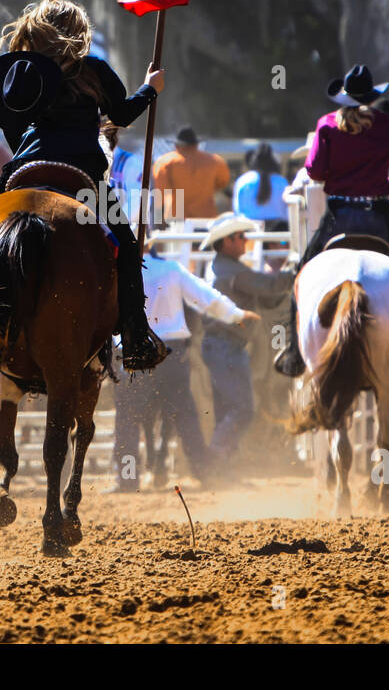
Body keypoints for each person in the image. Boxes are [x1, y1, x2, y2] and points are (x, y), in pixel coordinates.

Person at [0, 0, 168, 371]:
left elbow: (11, 121)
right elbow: (123, 114)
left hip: (26, 166)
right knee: (125, 243)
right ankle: (135, 335)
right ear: (78, 32)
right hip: (81, 175)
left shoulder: (24, 71)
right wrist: (150, 88)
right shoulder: (93, 69)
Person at [273, 65, 389, 378]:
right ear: (373, 97)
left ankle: (296, 352)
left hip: (338, 218)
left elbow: (315, 172)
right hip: (377, 215)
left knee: (301, 274)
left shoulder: (326, 125)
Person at [109, 236, 257, 492]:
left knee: (128, 419)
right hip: (171, 353)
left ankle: (127, 479)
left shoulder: (118, 275)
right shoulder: (171, 270)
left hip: (135, 354)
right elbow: (205, 297)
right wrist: (236, 315)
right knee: (185, 415)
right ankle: (204, 472)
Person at [202, 212, 292, 470]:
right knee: (243, 409)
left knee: (227, 407)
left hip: (219, 345)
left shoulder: (221, 267)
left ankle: (222, 466)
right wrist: (295, 271)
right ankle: (214, 458)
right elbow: (269, 286)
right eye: (241, 236)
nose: (245, 241)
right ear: (227, 241)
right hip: (227, 346)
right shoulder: (233, 270)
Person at [152, 127, 231, 221]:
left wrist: (157, 223)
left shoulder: (165, 163)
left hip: (177, 220)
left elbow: (159, 194)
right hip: (207, 219)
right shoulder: (215, 161)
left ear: (177, 145)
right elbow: (223, 184)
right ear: (197, 144)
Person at [233, 143, 290, 229]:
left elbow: (237, 211)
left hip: (251, 233)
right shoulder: (281, 181)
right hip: (279, 234)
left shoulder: (243, 181)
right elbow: (288, 211)